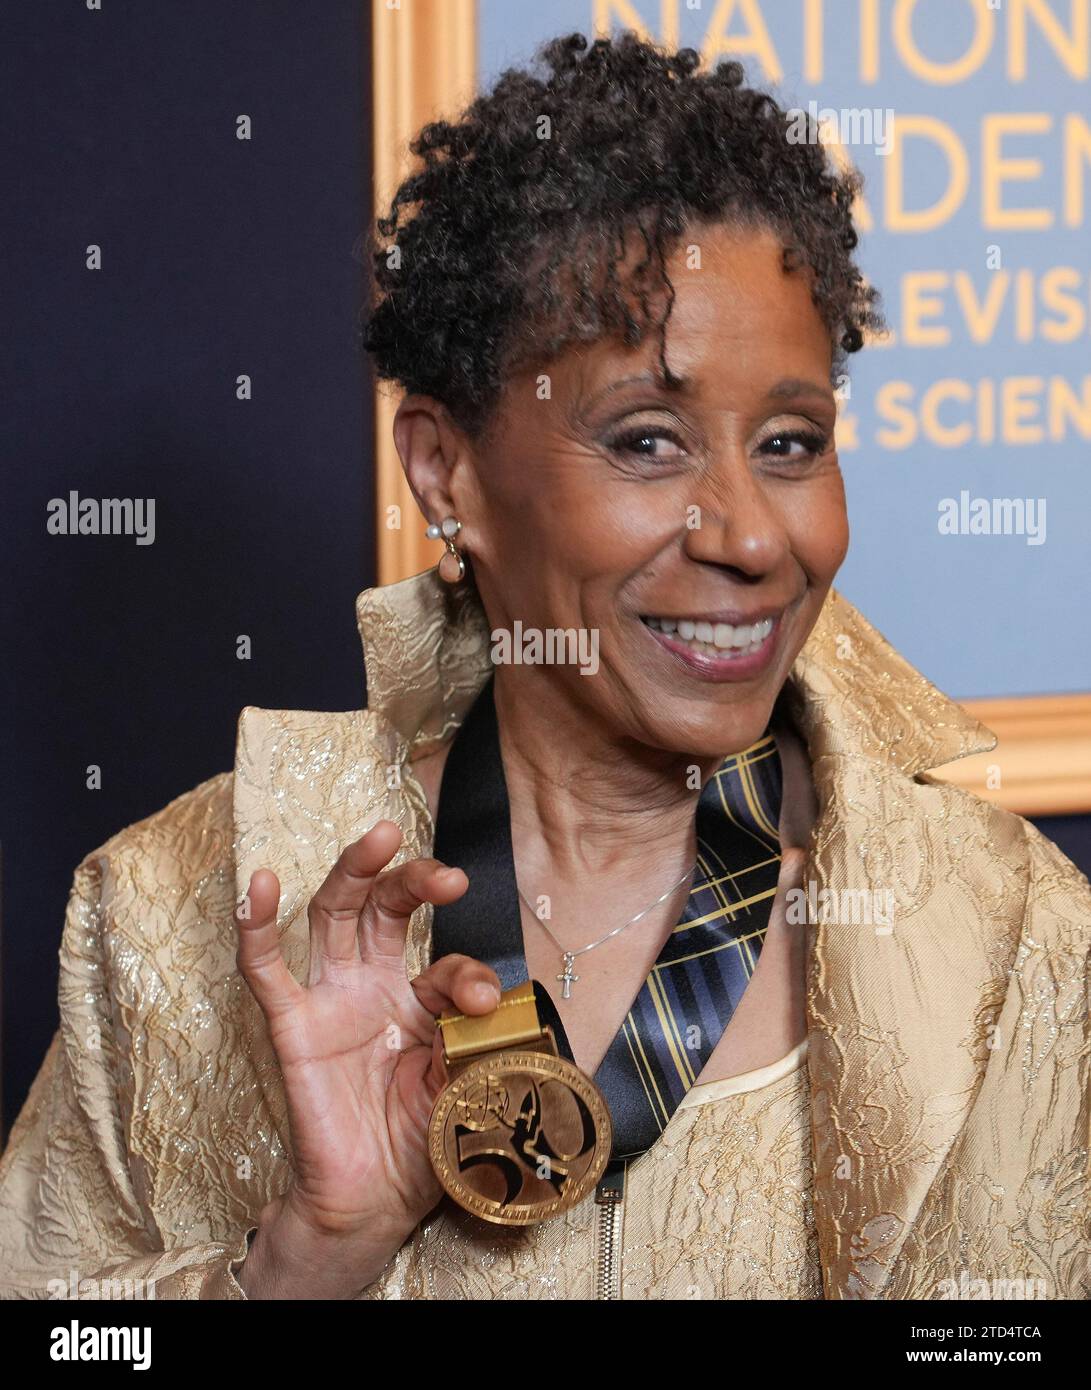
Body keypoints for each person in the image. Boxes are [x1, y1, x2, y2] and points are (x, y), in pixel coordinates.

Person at [1, 32, 1086, 1301]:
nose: (747, 534)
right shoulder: (169, 913)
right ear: (443, 471)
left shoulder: (1013, 941)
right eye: (645, 440)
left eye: (790, 443)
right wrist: (296, 1264)